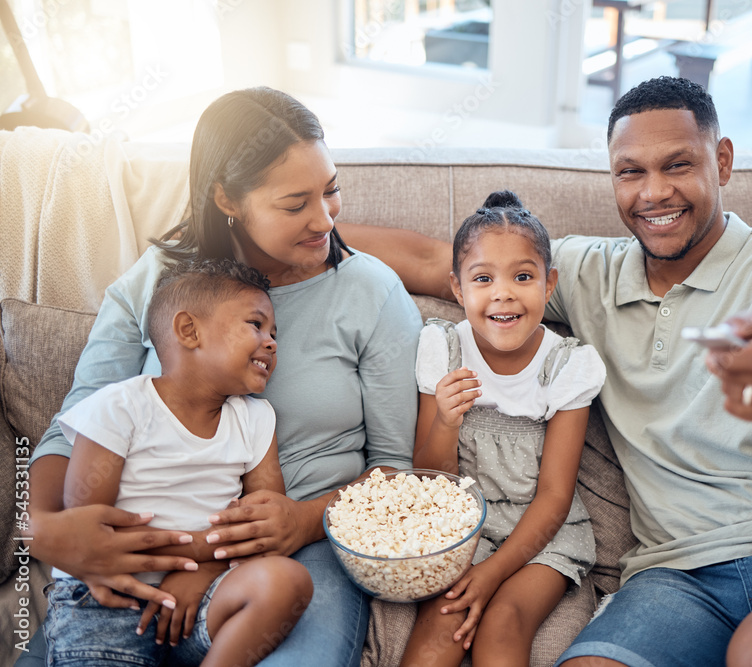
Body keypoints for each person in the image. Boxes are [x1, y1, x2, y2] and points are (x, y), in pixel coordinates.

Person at [339, 76, 752, 667]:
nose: (654, 193)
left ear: (721, 162)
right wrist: (291, 235)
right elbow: (428, 258)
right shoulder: (580, 271)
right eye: (631, 172)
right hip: (677, 576)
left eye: (678, 165)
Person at [22, 87, 423, 667]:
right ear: (227, 198)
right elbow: (71, 425)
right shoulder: (157, 285)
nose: (326, 219)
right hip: (150, 547)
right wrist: (45, 531)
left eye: (331, 189)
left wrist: (306, 519)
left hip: (298, 550)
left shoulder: (371, 292)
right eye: (295, 204)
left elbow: (395, 469)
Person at [45, 258, 313, 666]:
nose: (272, 342)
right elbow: (89, 526)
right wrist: (195, 558)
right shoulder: (120, 406)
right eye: (255, 325)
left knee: (286, 580)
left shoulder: (256, 418)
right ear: (189, 330)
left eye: (274, 333)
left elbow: (261, 529)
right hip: (108, 599)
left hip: (203, 597)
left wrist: (201, 572)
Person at [399, 191, 605, 666]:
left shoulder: (567, 366)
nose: (503, 293)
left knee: (503, 621)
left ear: (549, 284)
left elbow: (555, 497)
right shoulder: (443, 349)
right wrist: (447, 422)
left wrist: (491, 573)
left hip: (544, 533)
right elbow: (432, 480)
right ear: (458, 288)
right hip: (464, 524)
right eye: (483, 278)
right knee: (443, 620)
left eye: (523, 276)